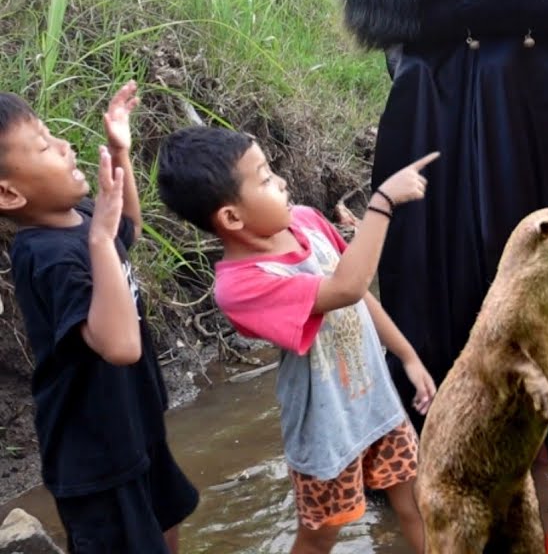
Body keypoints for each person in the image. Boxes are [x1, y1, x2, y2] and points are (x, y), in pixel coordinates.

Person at [155, 125, 439, 554]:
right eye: (265, 178)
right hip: (325, 431)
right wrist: (381, 203)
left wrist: (407, 356)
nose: (282, 182)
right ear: (232, 218)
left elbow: (360, 295)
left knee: (417, 503)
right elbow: (346, 286)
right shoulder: (243, 286)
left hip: (377, 406)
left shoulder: (306, 220)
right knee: (321, 536)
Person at [1, 82, 199, 553]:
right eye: (44, 146)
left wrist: (119, 150)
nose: (66, 146)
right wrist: (99, 239)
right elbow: (120, 346)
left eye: (53, 135)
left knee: (164, 524)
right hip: (95, 456)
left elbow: (127, 228)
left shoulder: (82, 219)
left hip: (135, 424)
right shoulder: (45, 257)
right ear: (9, 194)